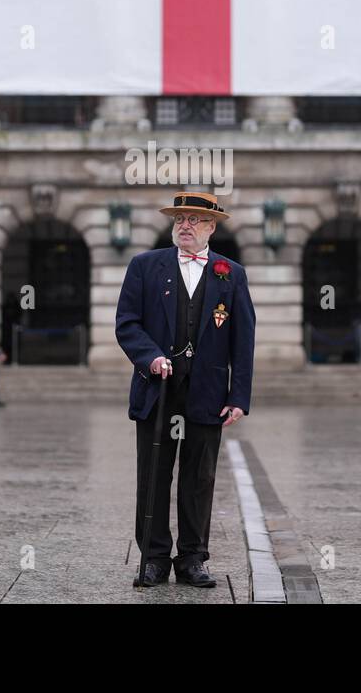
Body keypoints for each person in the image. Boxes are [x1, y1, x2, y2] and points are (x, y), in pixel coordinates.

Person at [116, 191, 256, 589]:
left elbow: (242, 340)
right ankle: (155, 558)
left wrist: (238, 396)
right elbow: (127, 323)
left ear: (212, 227)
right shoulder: (144, 266)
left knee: (199, 478)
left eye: (195, 220)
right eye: (180, 219)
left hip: (207, 393)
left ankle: (192, 558)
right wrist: (151, 357)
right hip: (158, 391)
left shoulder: (231, 273)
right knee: (154, 475)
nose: (186, 226)